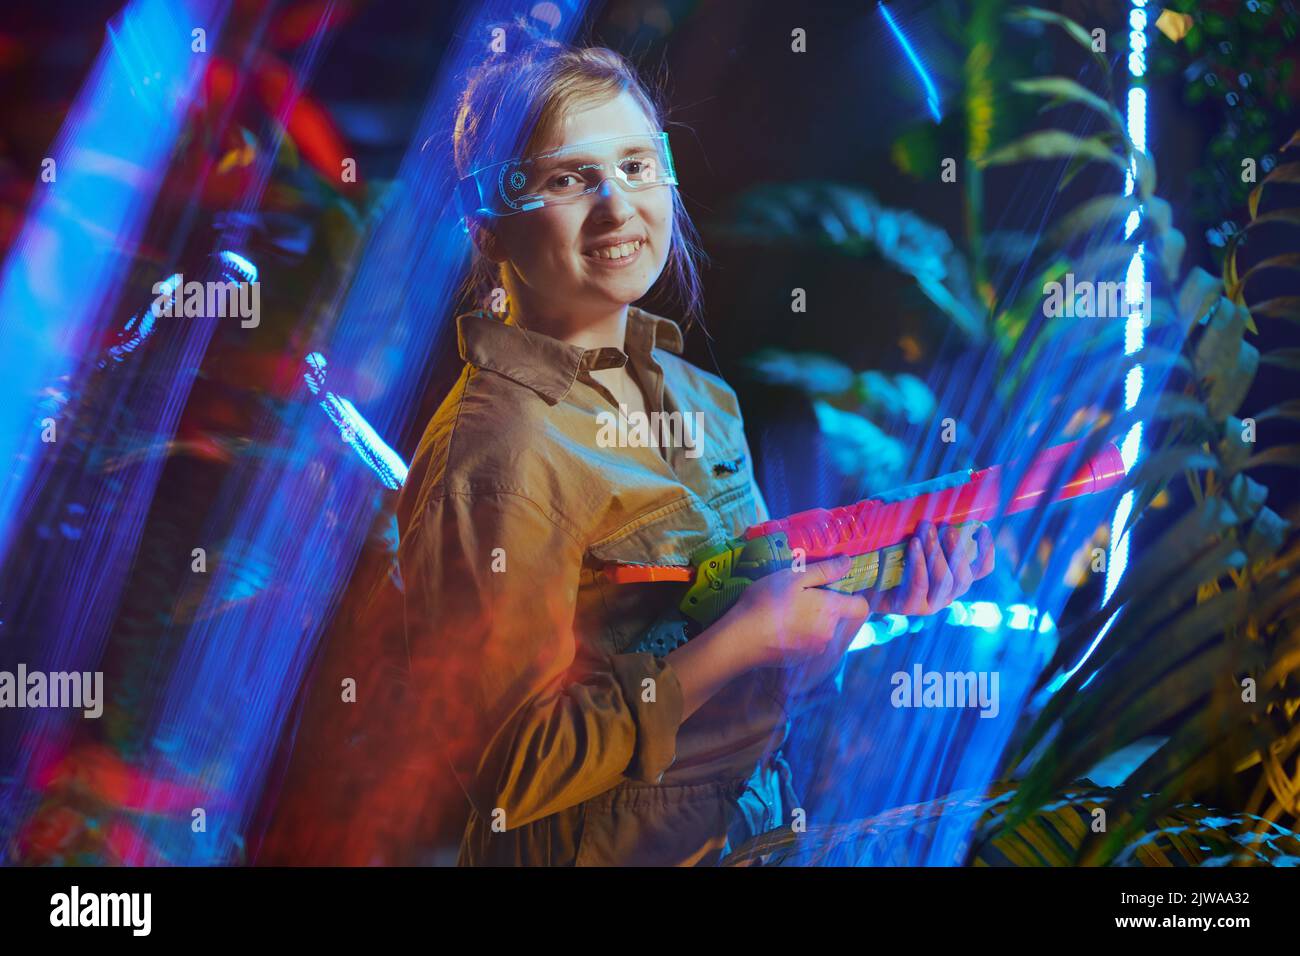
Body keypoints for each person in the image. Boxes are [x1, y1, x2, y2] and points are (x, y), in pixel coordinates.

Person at [396, 25, 994, 866]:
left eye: (636, 166)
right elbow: (505, 776)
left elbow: (753, 671)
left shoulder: (699, 400)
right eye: (570, 178)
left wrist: (880, 599)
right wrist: (739, 641)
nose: (617, 205)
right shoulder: (500, 453)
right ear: (488, 227)